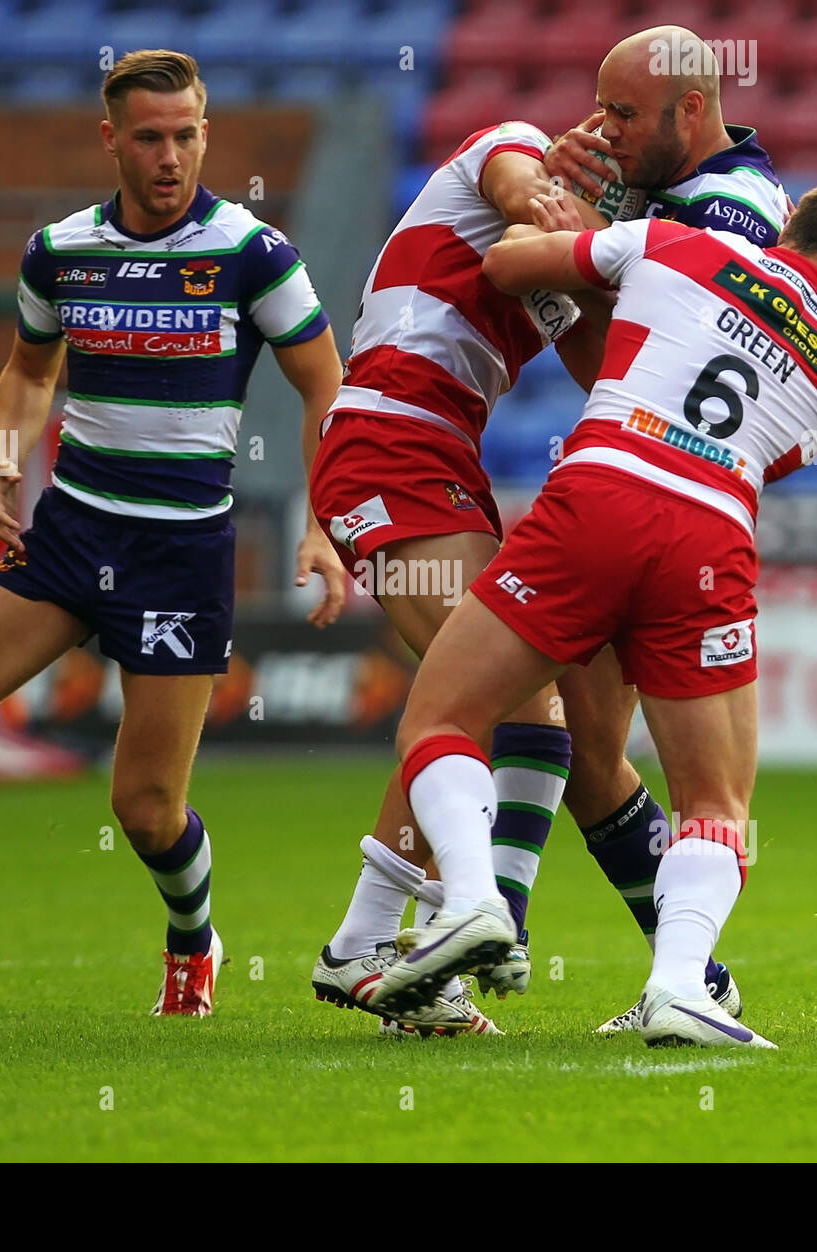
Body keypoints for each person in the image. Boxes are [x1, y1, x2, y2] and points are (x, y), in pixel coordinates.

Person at [0, 50, 345, 1017]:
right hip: (71, 534)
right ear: (111, 139)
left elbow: (327, 387)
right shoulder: (60, 251)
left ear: (207, 132)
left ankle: (194, 940)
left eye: (188, 135)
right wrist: (3, 458)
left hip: (180, 551)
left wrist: (325, 521)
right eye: (151, 137)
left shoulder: (252, 254)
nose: (171, 156)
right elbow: (30, 372)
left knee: (145, 812)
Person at [368, 181, 817, 1047]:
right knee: (716, 804)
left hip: (602, 489)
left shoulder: (671, 241)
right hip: (710, 533)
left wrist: (584, 240)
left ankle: (469, 900)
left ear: (789, 222)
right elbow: (766, 454)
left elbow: (506, 265)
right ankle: (682, 986)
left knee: (441, 717)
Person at [308, 117, 610, 1036]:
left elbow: (604, 370)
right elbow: (520, 183)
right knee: (515, 702)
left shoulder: (557, 266)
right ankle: (466, 920)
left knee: (474, 698)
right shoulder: (508, 152)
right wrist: (559, 203)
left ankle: (375, 938)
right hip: (392, 432)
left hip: (435, 450)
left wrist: (612, 271)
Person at [524, 25, 792, 1033]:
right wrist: (570, 204)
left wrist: (556, 238)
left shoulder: (733, 211)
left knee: (711, 792)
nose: (601, 129)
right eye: (597, 109)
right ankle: (686, 981)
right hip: (620, 496)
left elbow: (610, 367)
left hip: (684, 513)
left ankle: (461, 922)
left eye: (622, 114)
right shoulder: (652, 196)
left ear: (690, 111)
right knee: (585, 752)